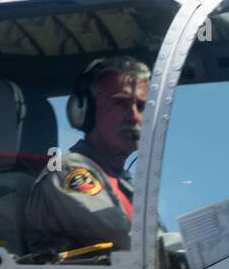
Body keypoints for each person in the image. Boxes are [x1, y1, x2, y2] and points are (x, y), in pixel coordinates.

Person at [24, 56, 150, 257]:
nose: (134, 116)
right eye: (120, 103)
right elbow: (131, 241)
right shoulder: (69, 170)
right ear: (84, 110)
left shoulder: (122, 182)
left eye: (141, 107)